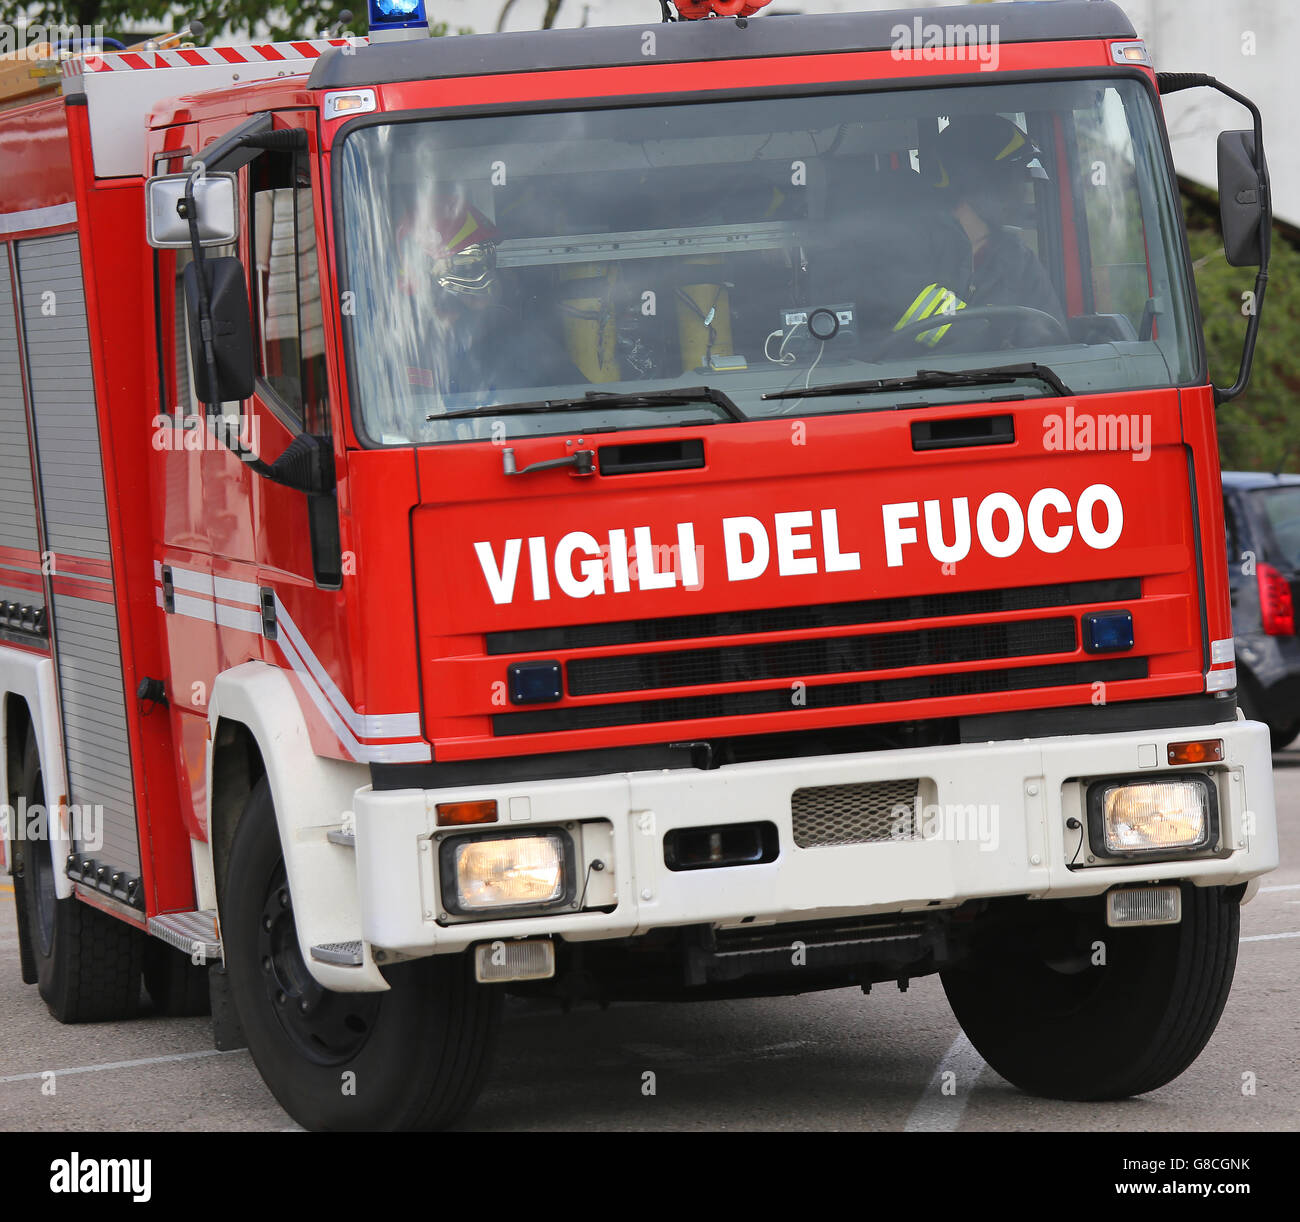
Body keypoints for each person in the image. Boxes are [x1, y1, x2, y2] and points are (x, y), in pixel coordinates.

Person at [890, 114, 1067, 351]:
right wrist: (992, 340)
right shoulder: (905, 251)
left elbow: (1051, 345)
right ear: (975, 181)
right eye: (1012, 177)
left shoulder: (1017, 259)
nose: (1022, 191)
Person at [398, 199, 581, 400]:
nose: (487, 276)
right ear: (425, 272)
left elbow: (581, 402)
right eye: (468, 265)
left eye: (488, 261)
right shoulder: (395, 350)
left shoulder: (516, 340)